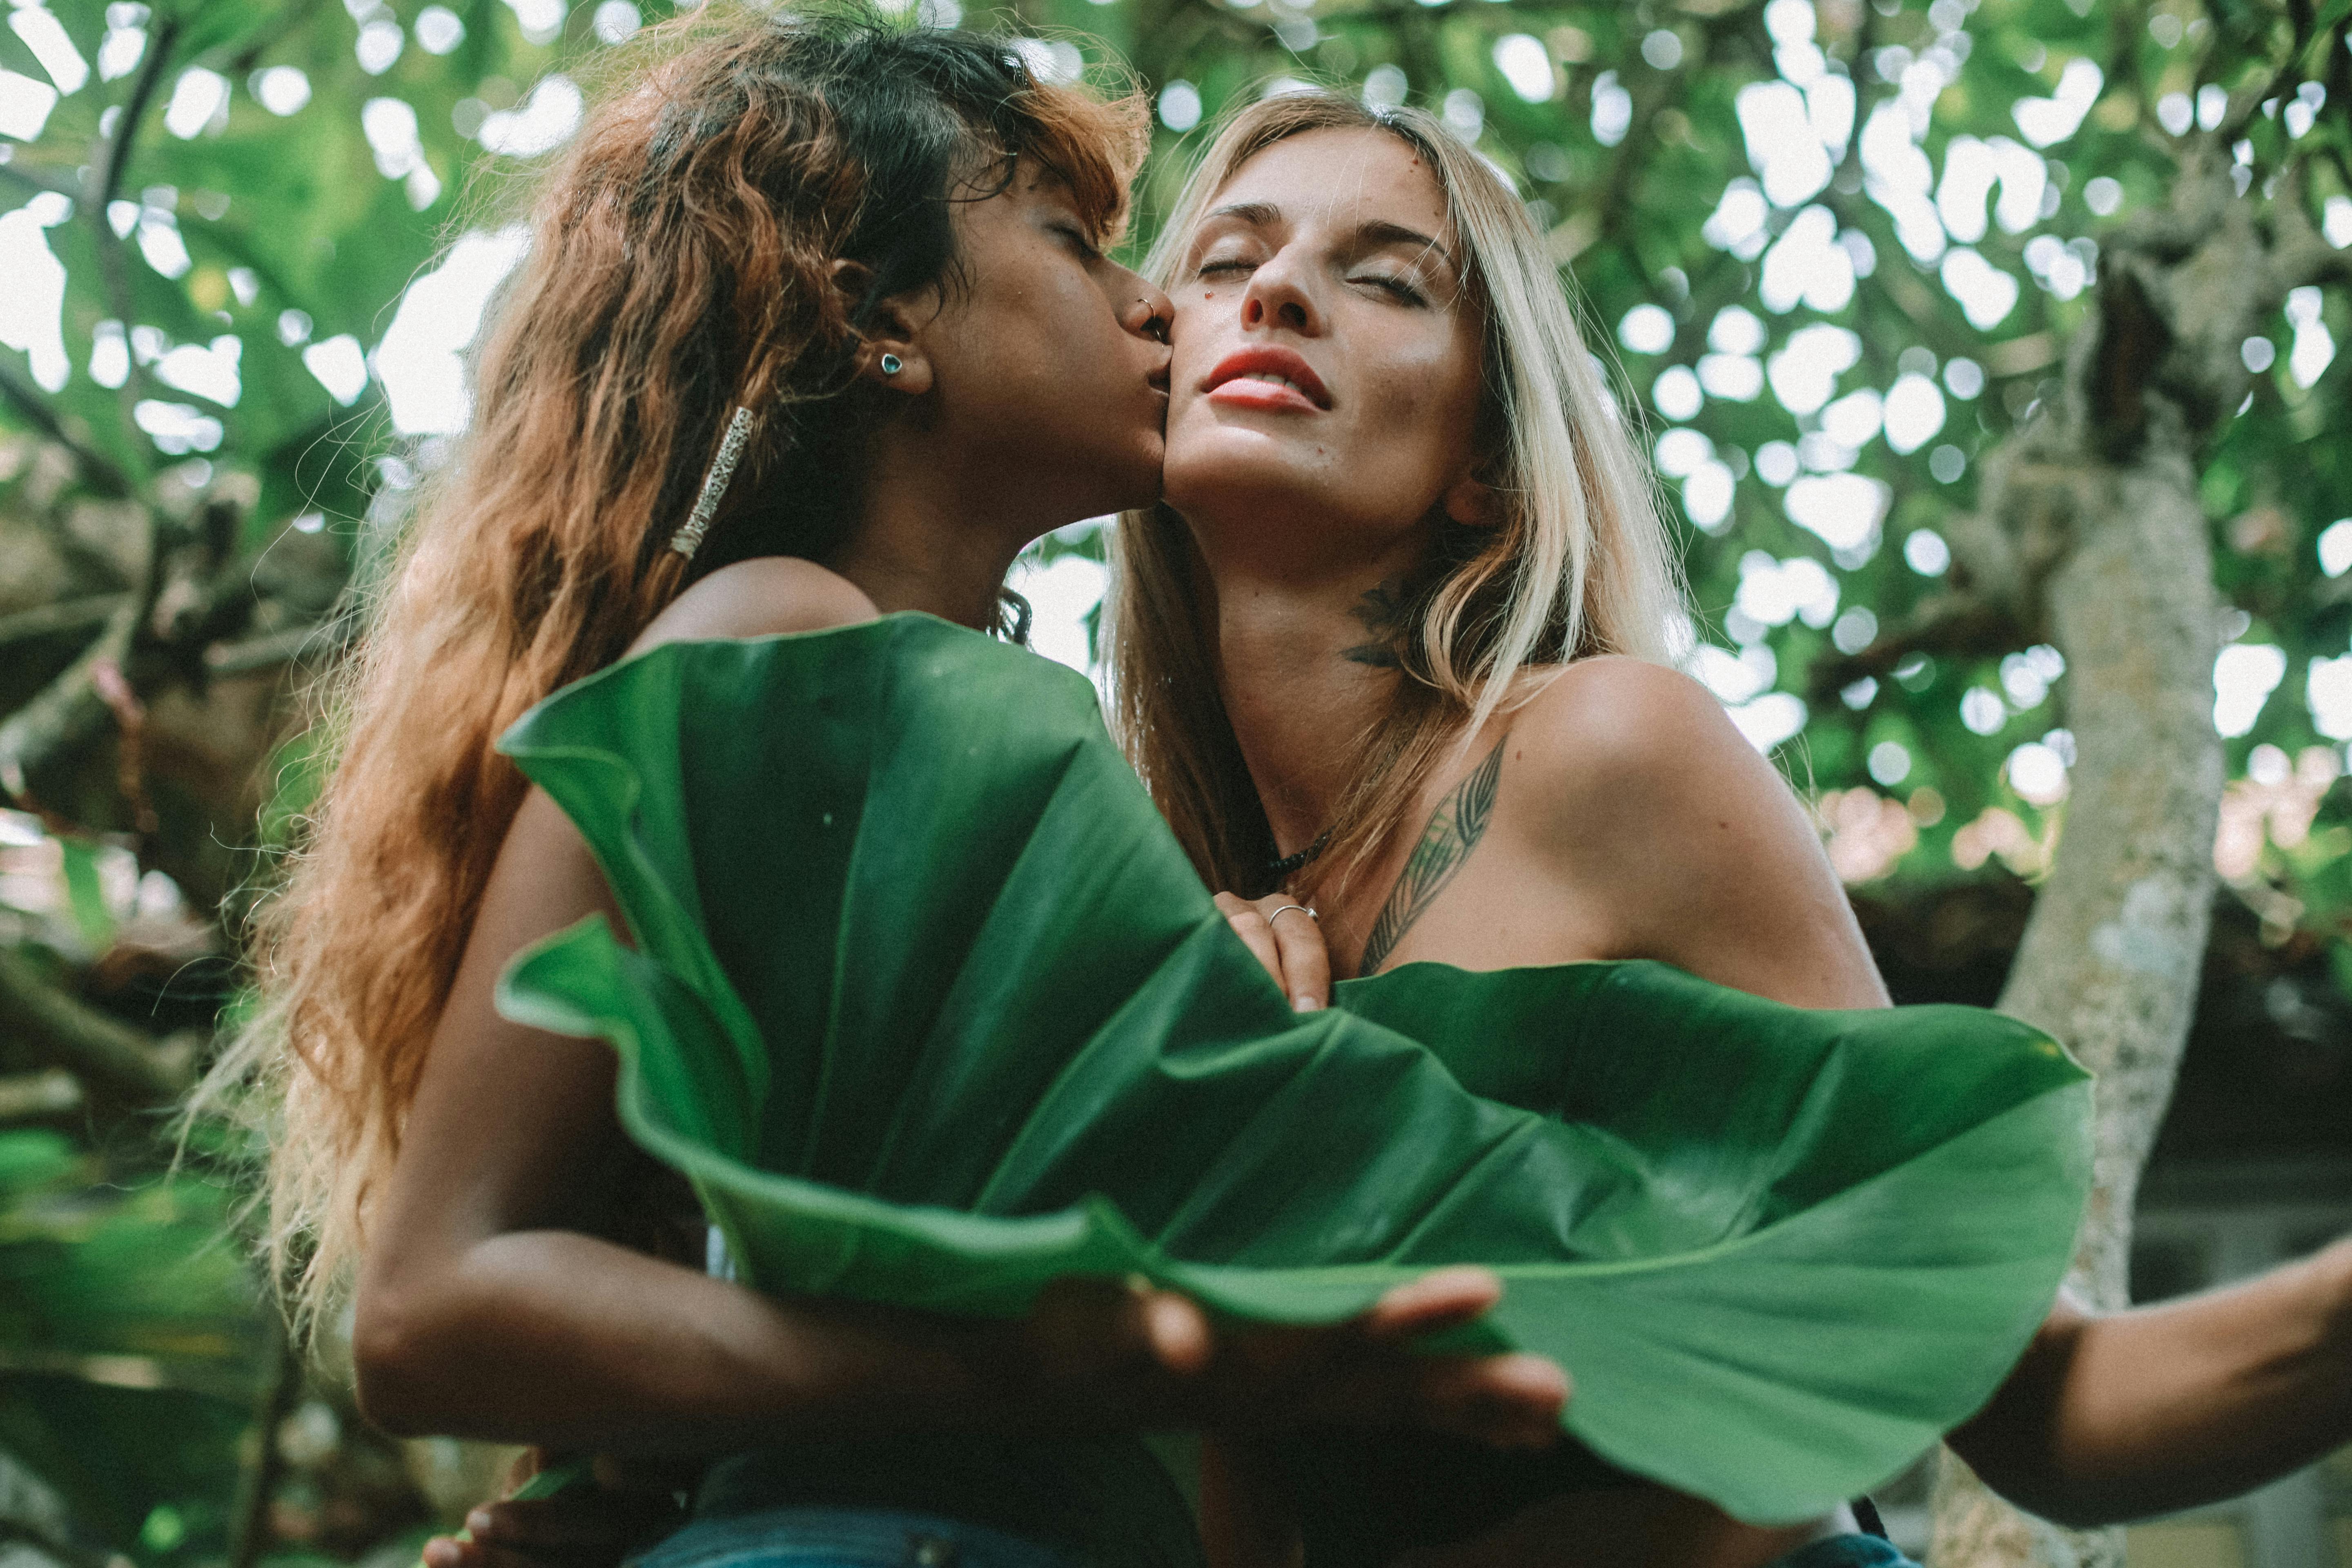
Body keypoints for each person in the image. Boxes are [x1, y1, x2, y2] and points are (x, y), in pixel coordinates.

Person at [202, 17, 1572, 1568]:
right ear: (879, 318)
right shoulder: (776, 632)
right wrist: (1021, 1374)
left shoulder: (997, 759)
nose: (1158, 308)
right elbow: (434, 1306)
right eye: (1076, 246)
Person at [1106, 87, 2352, 1566]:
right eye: (1227, 257)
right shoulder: (1149, 924)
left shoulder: (1605, 754)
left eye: (1384, 279)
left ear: (1486, 466)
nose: (1279, 289)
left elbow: (2043, 1410)